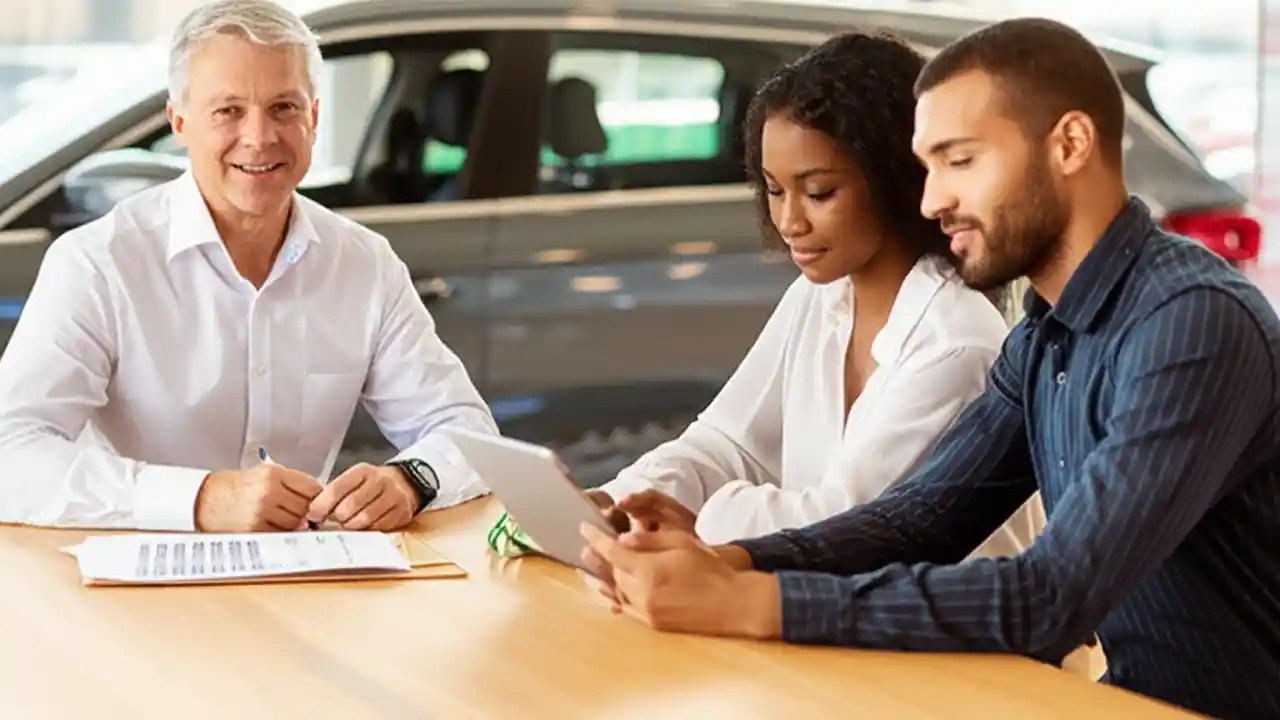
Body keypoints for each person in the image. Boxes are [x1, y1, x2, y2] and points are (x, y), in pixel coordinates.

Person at [581, 17, 1280, 719]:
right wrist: (735, 563)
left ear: (1069, 145)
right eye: (928, 165)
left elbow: (1052, 597)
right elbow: (919, 520)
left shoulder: (1193, 325)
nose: (929, 200)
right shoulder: (1046, 334)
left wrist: (754, 600)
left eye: (960, 161)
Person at [0, 0, 499, 533]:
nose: (259, 137)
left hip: (305, 585)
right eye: (228, 110)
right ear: (180, 122)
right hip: (136, 590)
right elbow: (11, 457)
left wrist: (412, 479)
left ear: (313, 117)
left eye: (283, 107)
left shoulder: (364, 263)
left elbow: (469, 432)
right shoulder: (99, 263)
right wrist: (197, 498)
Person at [585, 32, 1042, 558]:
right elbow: (727, 443)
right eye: (775, 190)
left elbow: (846, 525)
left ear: (896, 179)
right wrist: (622, 500)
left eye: (820, 192)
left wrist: (697, 523)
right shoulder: (818, 298)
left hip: (942, 635)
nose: (788, 222)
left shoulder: (956, 343)